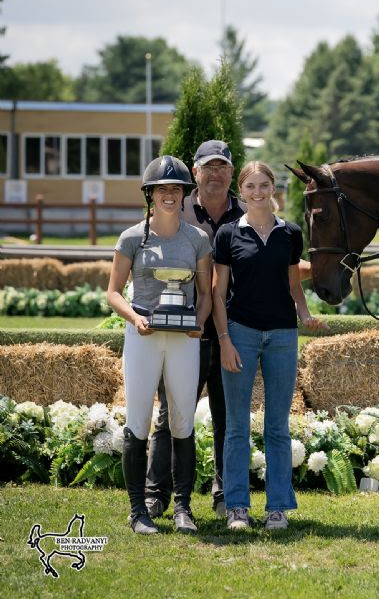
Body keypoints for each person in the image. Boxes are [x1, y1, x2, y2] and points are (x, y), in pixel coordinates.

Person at [213, 161, 324, 531]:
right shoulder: (228, 234)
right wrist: (225, 340)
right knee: (236, 427)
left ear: (272, 189)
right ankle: (237, 508)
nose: (258, 193)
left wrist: (305, 315)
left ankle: (277, 507)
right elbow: (217, 294)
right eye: (250, 187)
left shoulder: (290, 233)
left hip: (282, 336)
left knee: (278, 426)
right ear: (240, 192)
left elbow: (294, 285)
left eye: (264, 186)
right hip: (240, 332)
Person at [107, 155, 212, 535]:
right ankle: (138, 510)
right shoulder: (132, 237)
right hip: (143, 335)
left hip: (182, 339)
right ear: (150, 194)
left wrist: (199, 322)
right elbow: (114, 292)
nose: (170, 195)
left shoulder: (197, 239)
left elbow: (204, 293)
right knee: (138, 420)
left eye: (176, 189)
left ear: (185, 194)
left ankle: (183, 507)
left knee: (183, 420)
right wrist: (135, 318)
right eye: (162, 189)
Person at [144, 140, 245, 520]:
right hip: (181, 331)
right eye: (209, 167)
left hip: (232, 332)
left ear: (231, 172)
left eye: (223, 167)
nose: (216, 174)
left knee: (228, 415)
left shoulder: (247, 213)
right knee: (172, 413)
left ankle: (223, 493)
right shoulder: (175, 209)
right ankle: (157, 494)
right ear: (196, 172)